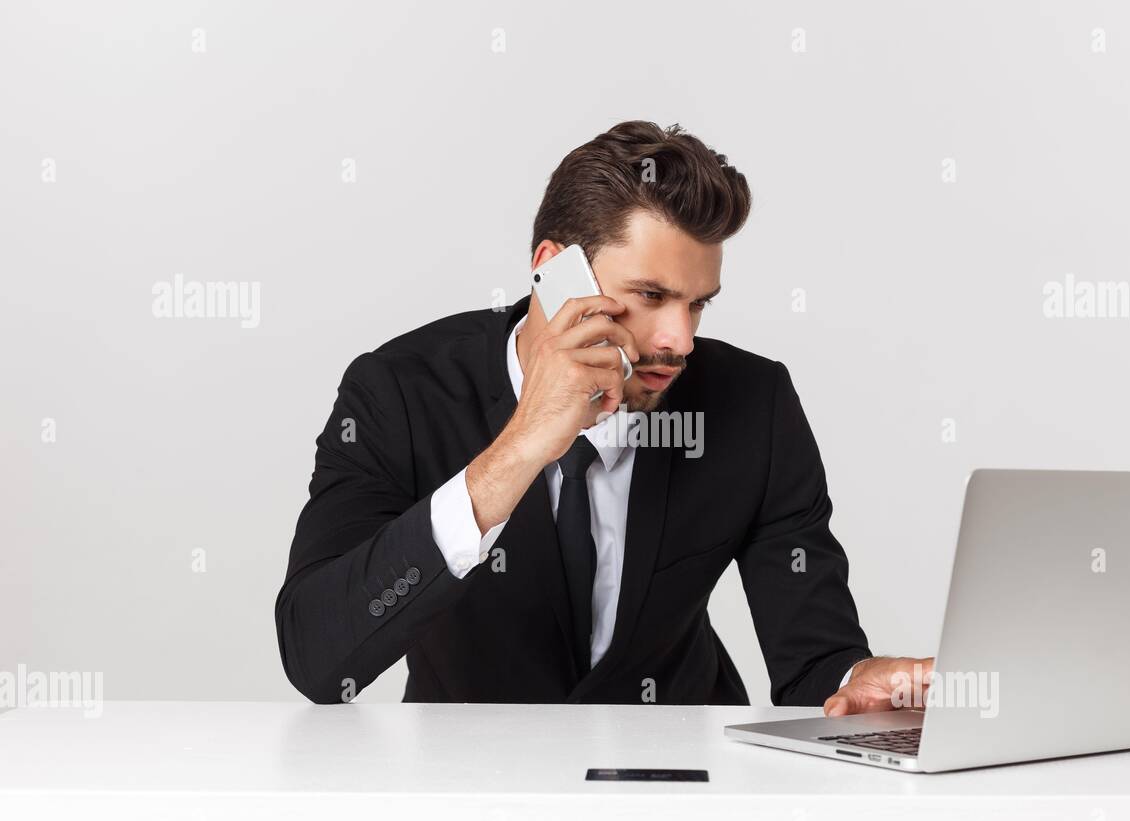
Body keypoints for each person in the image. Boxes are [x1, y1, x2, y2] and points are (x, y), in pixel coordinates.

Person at [275, 120, 933, 713]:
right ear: (551, 271)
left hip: (683, 790)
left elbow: (814, 664)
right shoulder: (399, 394)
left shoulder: (752, 404)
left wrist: (858, 679)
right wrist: (521, 448)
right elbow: (319, 659)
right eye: (649, 296)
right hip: (472, 791)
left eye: (698, 304)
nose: (678, 340)